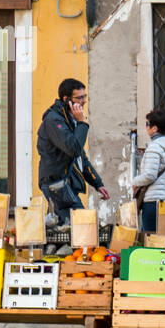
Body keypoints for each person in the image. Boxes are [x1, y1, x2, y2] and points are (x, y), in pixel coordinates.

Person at [36, 78, 108, 226]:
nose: (83, 101)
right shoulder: (54, 120)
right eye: (79, 98)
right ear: (66, 99)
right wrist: (82, 123)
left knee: (64, 229)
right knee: (81, 225)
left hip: (64, 183)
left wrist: (97, 183)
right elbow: (73, 149)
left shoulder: (70, 119)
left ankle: (53, 248)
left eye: (85, 96)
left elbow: (80, 157)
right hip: (55, 183)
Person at [132, 108, 165, 233]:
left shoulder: (154, 148)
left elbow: (149, 176)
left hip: (153, 200)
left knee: (150, 238)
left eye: (147, 124)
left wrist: (135, 181)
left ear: (155, 128)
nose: (146, 127)